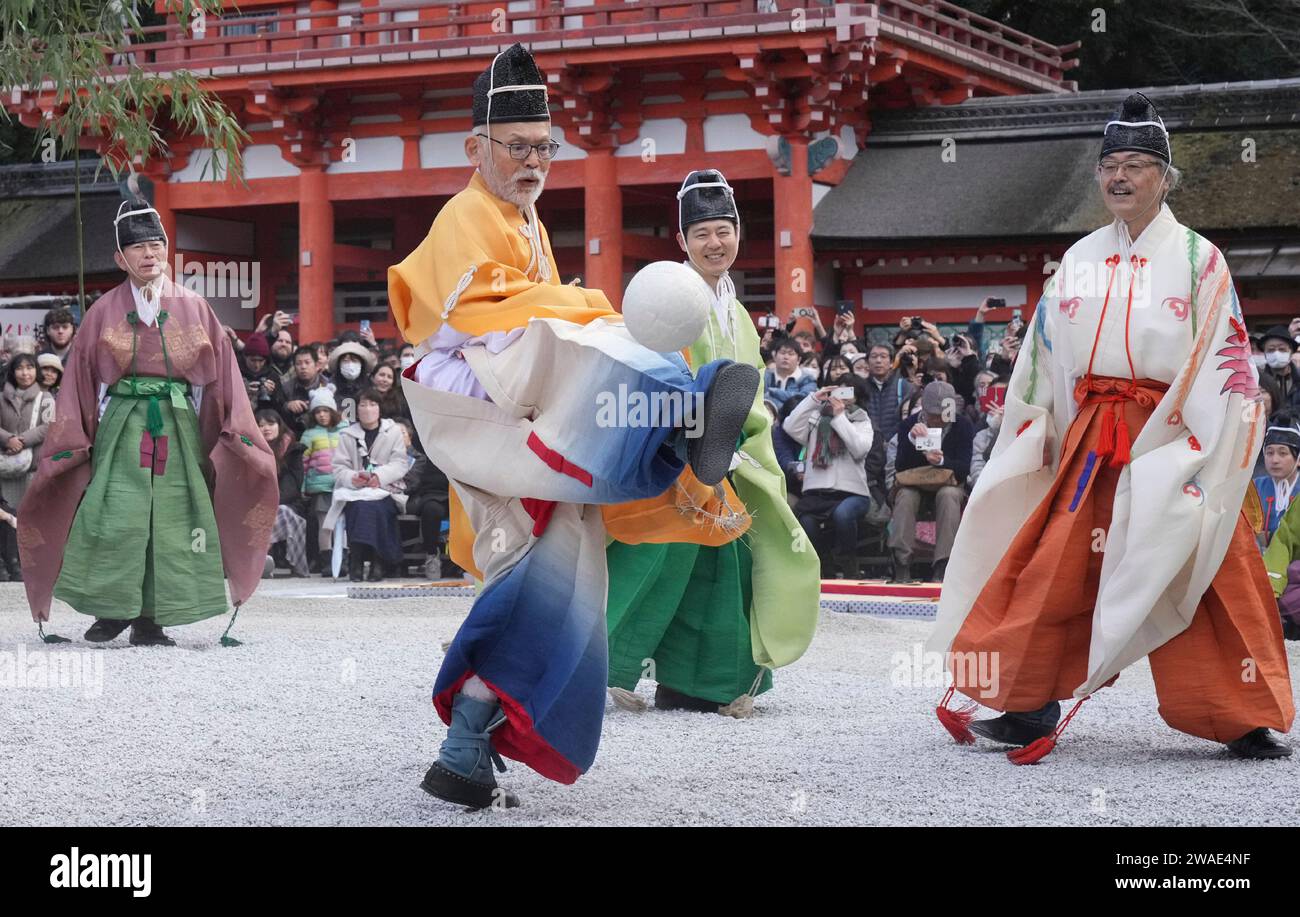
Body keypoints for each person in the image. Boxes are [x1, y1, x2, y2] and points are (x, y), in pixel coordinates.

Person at [388, 43, 758, 809]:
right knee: (538, 544)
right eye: (518, 147)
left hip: (517, 401)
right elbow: (485, 313)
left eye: (543, 148)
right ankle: (677, 426)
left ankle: (470, 753)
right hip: (471, 395)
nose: (533, 161)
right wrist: (590, 307)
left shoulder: (527, 219)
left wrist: (584, 311)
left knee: (565, 557)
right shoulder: (465, 214)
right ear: (476, 148)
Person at [929, 92, 1293, 762]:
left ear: (1165, 176)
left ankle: (1240, 713)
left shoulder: (1197, 258)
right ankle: (1023, 701)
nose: (1120, 176)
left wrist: (1204, 446)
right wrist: (1033, 429)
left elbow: (1224, 356)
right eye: (1110, 166)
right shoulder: (1079, 259)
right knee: (1055, 564)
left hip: (1174, 426)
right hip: (1092, 432)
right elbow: (1043, 355)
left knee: (1203, 560)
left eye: (1136, 164)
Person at [603, 169, 820, 715]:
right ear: (682, 242)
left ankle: (700, 684)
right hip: (674, 451)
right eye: (701, 233)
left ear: (738, 233)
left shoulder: (737, 311)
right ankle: (594, 669)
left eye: (723, 229)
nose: (714, 242)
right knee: (654, 558)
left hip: (731, 455)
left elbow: (752, 392)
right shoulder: (667, 296)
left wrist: (743, 448)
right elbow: (649, 373)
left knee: (726, 567)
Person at [18, 194, 276, 646]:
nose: (150, 253)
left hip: (177, 422)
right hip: (122, 422)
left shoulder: (195, 307)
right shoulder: (102, 311)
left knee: (173, 517)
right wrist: (71, 441)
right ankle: (111, 608)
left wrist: (234, 433)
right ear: (120, 257)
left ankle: (152, 618)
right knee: (115, 511)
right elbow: (78, 379)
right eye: (138, 247)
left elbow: (223, 378)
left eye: (157, 243)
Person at [785, 374, 875, 578]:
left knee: (843, 514)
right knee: (807, 521)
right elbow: (790, 427)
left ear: (857, 396)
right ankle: (824, 565)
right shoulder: (817, 417)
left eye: (848, 392)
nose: (841, 396)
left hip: (852, 493)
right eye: (838, 390)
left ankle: (848, 561)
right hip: (817, 492)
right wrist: (814, 399)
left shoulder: (861, 420)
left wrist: (839, 417)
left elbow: (859, 448)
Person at [889, 380, 973, 583]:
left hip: (949, 483)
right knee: (906, 497)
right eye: (933, 415)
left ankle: (944, 564)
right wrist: (911, 440)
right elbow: (900, 467)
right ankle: (901, 562)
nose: (938, 420)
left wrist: (942, 461)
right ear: (924, 410)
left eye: (942, 414)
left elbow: (963, 468)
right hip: (914, 483)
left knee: (949, 495)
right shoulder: (909, 425)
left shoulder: (962, 426)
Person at [325, 389, 409, 583]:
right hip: (356, 491)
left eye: (373, 404)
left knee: (378, 509)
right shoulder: (347, 434)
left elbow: (400, 463)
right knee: (359, 508)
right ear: (356, 409)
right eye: (363, 405)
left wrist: (379, 476)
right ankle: (357, 560)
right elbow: (338, 467)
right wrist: (353, 477)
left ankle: (377, 561)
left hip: (386, 489)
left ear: (380, 408)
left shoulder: (393, 431)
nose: (368, 409)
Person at [0, 353, 55, 581]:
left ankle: (26, 563)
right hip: (5, 468)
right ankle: (8, 562)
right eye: (20, 368)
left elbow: (50, 426)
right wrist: (8, 439)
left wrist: (22, 440)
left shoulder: (46, 398)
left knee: (30, 516)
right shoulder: (2, 398)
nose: (25, 373)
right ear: (12, 372)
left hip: (32, 467)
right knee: (6, 515)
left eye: (30, 367)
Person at [258, 408, 310, 577]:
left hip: (288, 503)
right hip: (257, 502)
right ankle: (256, 559)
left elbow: (293, 486)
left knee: (279, 512)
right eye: (260, 425)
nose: (266, 428)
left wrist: (270, 501)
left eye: (271, 424)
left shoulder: (293, 450)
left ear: (279, 425)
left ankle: (259, 558)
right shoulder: (251, 449)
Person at [301, 388, 343, 575]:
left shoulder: (345, 432)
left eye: (326, 411)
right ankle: (326, 560)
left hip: (342, 485)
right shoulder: (309, 435)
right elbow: (303, 463)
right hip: (320, 487)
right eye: (318, 412)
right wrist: (304, 486)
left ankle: (343, 559)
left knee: (342, 525)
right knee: (324, 525)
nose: (322, 415)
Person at [1253, 421, 1300, 542]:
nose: (1275, 460)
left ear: (1298, 459)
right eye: (1269, 453)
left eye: (1283, 453)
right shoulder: (1254, 488)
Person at [282, 344, 333, 433]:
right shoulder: (286, 387)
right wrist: (288, 406)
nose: (303, 367)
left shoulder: (327, 386)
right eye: (298, 363)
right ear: (294, 367)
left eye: (307, 362)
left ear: (317, 365)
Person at [328, 341, 374, 425]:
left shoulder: (370, 386)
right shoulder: (331, 386)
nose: (350, 364)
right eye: (345, 361)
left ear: (361, 364)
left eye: (354, 360)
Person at [764, 336, 815, 409]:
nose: (786, 357)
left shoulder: (808, 379)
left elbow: (802, 401)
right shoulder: (765, 375)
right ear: (774, 356)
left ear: (799, 360)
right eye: (782, 352)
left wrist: (773, 392)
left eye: (791, 354)